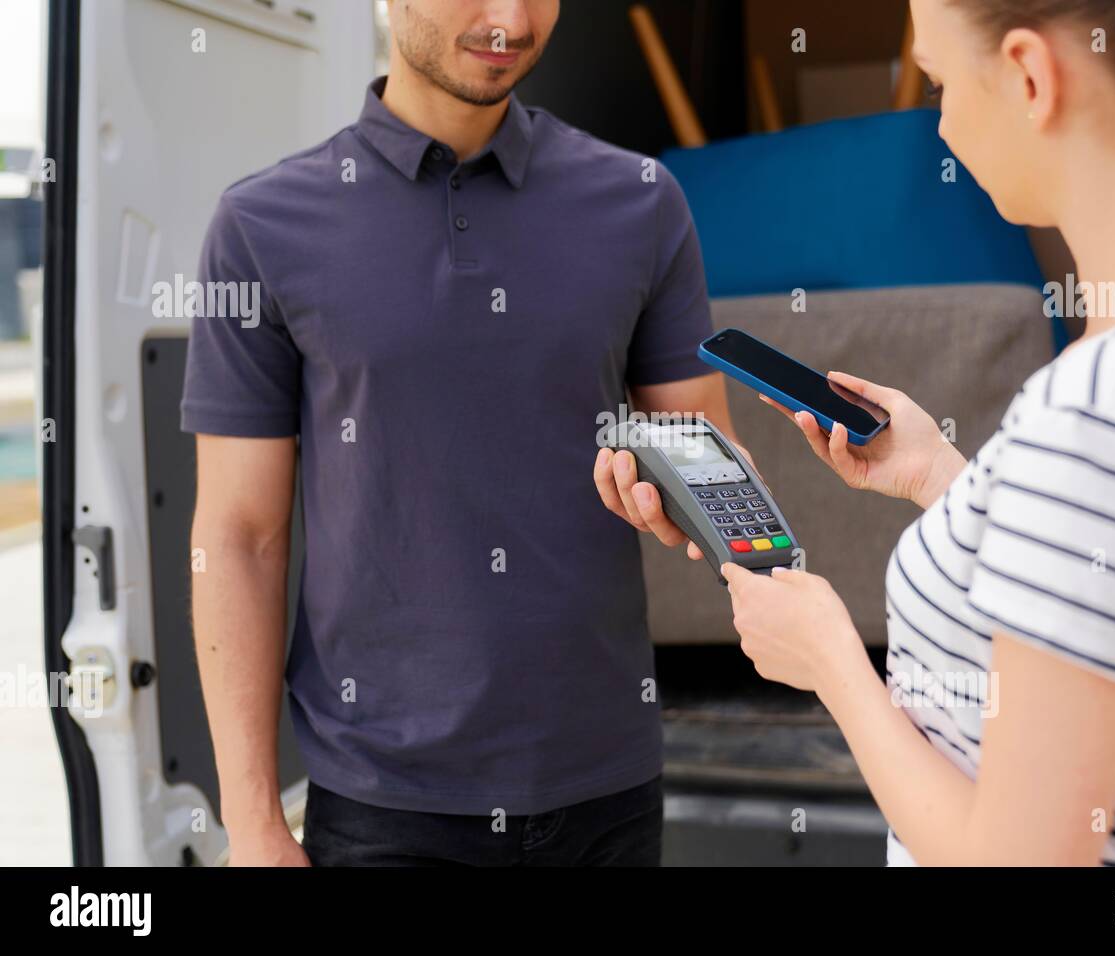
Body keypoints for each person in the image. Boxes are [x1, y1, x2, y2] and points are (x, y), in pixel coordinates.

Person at [599, 0, 1115, 865]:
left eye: (939, 83)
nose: (941, 123)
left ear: (1031, 77)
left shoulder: (1099, 411)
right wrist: (951, 483)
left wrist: (832, 665)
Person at [183, 0, 738, 866]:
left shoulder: (640, 203)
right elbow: (239, 536)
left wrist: (706, 498)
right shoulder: (262, 226)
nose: (510, 19)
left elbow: (704, 461)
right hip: (383, 807)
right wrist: (252, 821)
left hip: (606, 790)